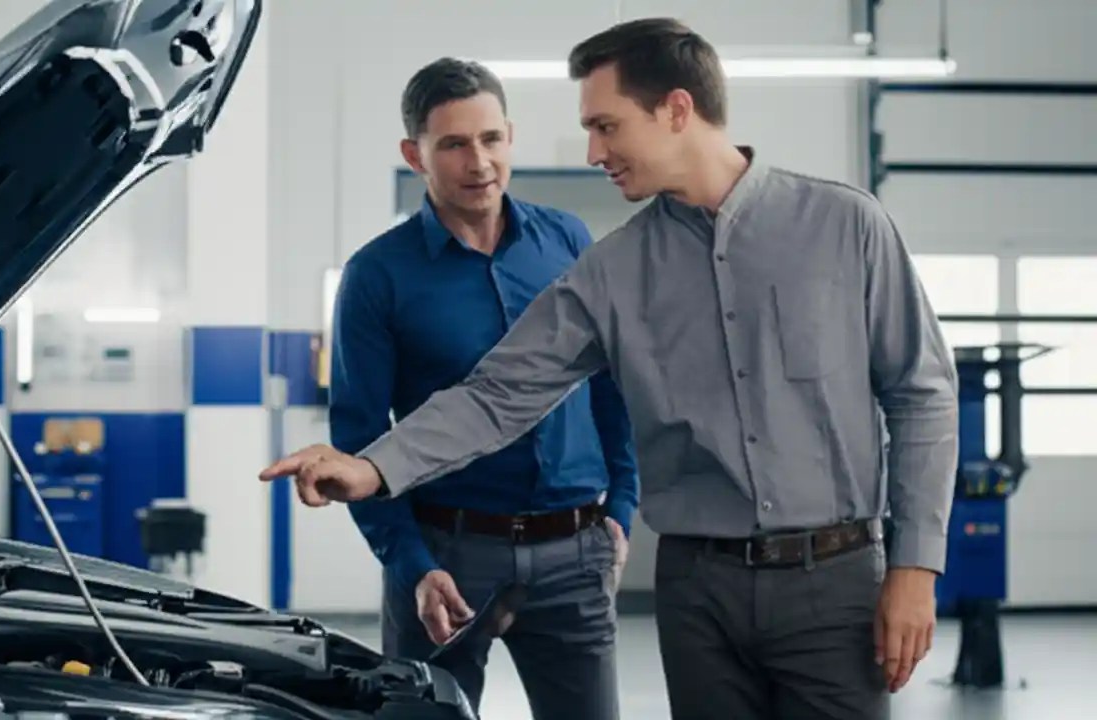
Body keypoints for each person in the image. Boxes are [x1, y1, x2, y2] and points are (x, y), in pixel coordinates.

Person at [263, 18, 958, 720]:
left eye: (606, 126)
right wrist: (374, 468)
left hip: (835, 583)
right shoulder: (612, 268)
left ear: (676, 110)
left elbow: (921, 396)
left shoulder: (846, 226)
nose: (593, 151)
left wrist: (915, 567)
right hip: (698, 593)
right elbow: (501, 393)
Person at [327, 57, 638, 720]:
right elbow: (359, 439)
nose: (480, 162)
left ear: (511, 136)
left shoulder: (568, 241)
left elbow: (610, 381)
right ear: (415, 154)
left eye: (492, 139)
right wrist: (411, 565)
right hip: (445, 559)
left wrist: (623, 507)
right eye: (454, 144)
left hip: (575, 549)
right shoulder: (376, 275)